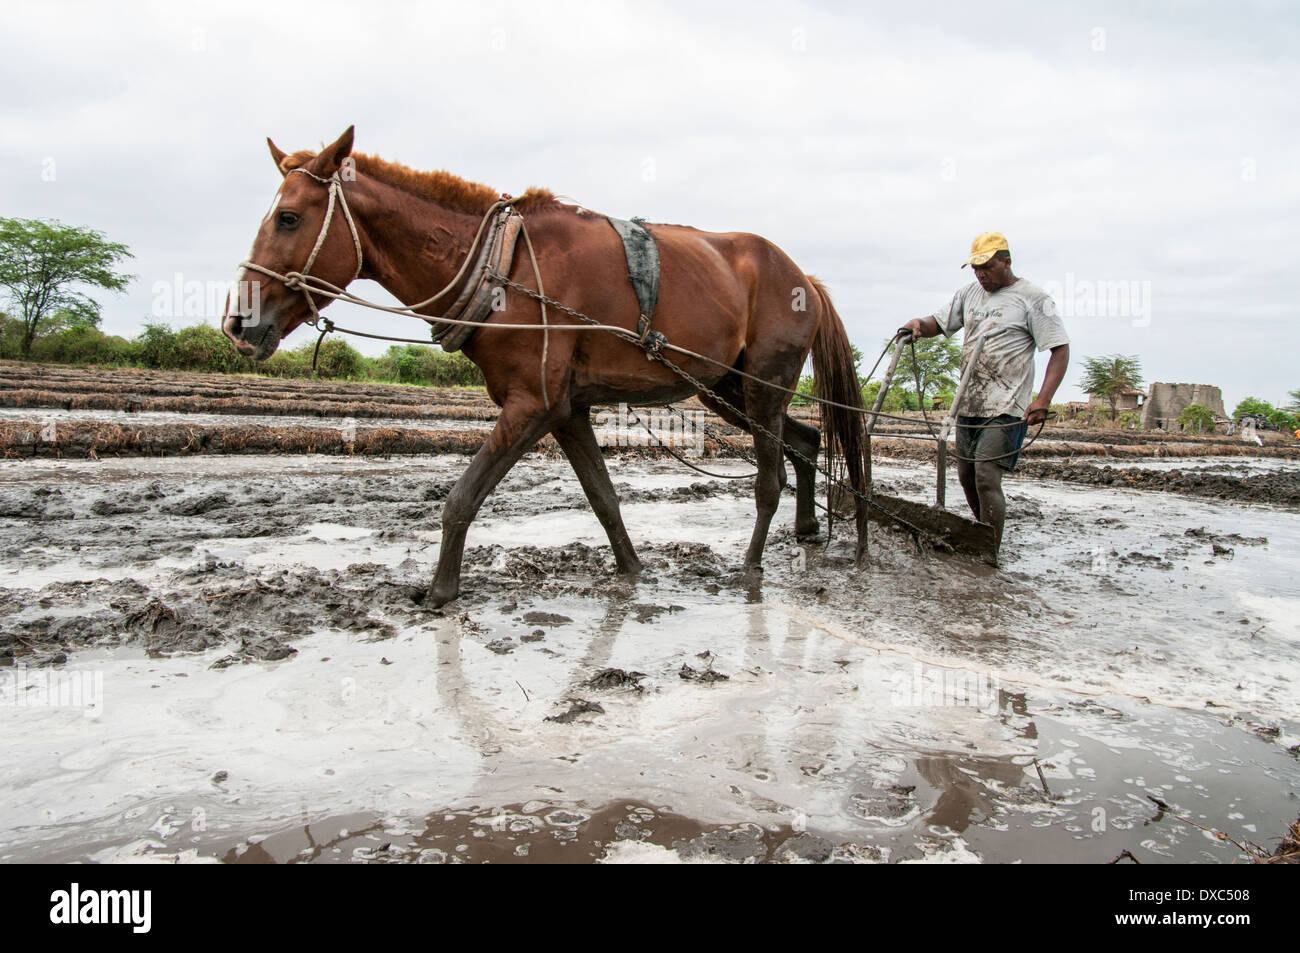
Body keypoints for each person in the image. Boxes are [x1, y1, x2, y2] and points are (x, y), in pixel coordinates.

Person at [902, 232, 1070, 562]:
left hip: (1007, 406)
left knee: (985, 475)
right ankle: (982, 533)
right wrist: (919, 325)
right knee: (966, 476)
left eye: (987, 267)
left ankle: (989, 552)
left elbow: (1060, 349)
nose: (981, 274)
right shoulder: (969, 294)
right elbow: (939, 322)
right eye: (976, 268)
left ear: (1006, 262)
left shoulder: (1034, 299)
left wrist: (1044, 400)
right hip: (970, 402)